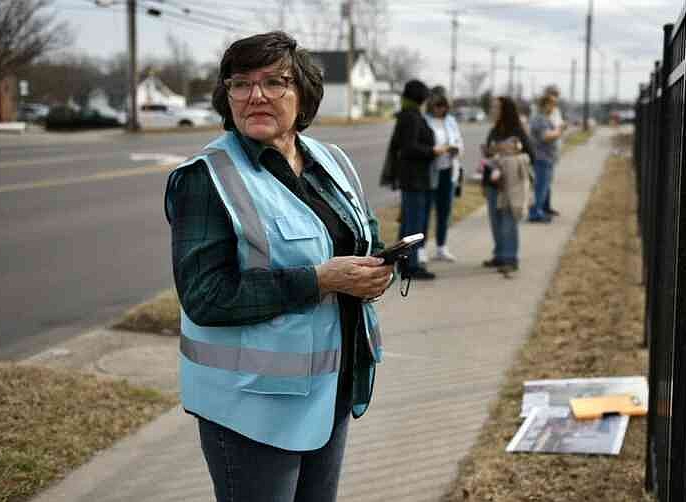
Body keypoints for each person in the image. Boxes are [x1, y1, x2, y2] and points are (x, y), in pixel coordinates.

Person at [164, 31, 394, 502]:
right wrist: (319, 280)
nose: (256, 96)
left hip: (331, 387)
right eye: (241, 84)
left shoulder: (332, 160)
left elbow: (363, 233)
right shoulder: (207, 178)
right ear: (225, 96)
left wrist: (377, 270)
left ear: (303, 93)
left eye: (274, 82)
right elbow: (206, 297)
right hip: (251, 406)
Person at [388, 79, 452, 279]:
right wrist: (434, 150)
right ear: (421, 98)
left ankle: (403, 264)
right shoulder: (412, 117)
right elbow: (410, 148)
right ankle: (411, 266)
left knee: (409, 223)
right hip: (415, 179)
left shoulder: (409, 115)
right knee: (414, 225)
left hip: (413, 178)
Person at [481, 96, 535, 275]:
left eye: (496, 107)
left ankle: (511, 258)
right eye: (492, 107)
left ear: (505, 110)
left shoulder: (517, 131)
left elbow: (531, 156)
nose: (492, 110)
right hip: (493, 183)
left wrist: (511, 155)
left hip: (511, 185)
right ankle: (499, 255)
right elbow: (488, 156)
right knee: (495, 222)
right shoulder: (494, 130)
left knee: (508, 222)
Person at [424, 92, 464, 262]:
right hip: (431, 170)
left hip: (449, 169)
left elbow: (460, 141)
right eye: (437, 105)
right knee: (425, 211)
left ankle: (441, 247)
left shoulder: (451, 121)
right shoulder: (425, 121)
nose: (441, 109)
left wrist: (456, 149)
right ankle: (421, 249)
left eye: (444, 106)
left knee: (444, 210)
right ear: (431, 105)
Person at [528, 93, 565, 222]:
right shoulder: (540, 118)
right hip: (542, 157)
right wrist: (559, 131)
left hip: (547, 157)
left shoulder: (544, 118)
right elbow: (545, 136)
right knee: (540, 187)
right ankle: (535, 213)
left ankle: (541, 210)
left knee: (544, 186)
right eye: (553, 104)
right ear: (546, 104)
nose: (554, 107)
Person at [540, 85, 566, 217]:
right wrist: (559, 130)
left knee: (548, 181)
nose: (555, 98)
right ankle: (540, 209)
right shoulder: (541, 113)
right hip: (543, 153)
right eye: (553, 95)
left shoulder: (556, 110)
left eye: (556, 95)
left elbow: (559, 125)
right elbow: (546, 133)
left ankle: (546, 207)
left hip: (552, 151)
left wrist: (560, 128)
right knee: (542, 182)